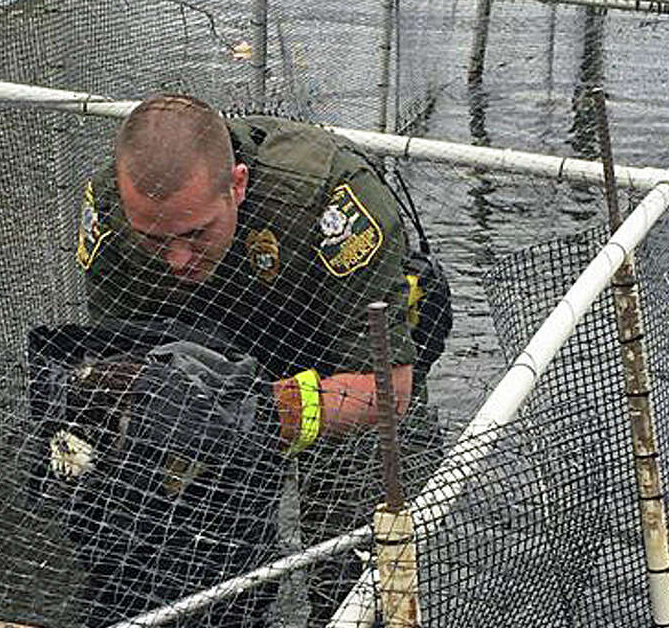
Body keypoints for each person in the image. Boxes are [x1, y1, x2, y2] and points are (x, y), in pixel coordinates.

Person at [75, 93, 437, 460]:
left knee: (360, 494)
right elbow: (117, 350)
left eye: (196, 233)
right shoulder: (109, 210)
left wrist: (257, 415)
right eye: (153, 238)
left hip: (334, 359)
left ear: (237, 185)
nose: (178, 260)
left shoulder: (334, 199)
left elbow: (385, 390)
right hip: (203, 368)